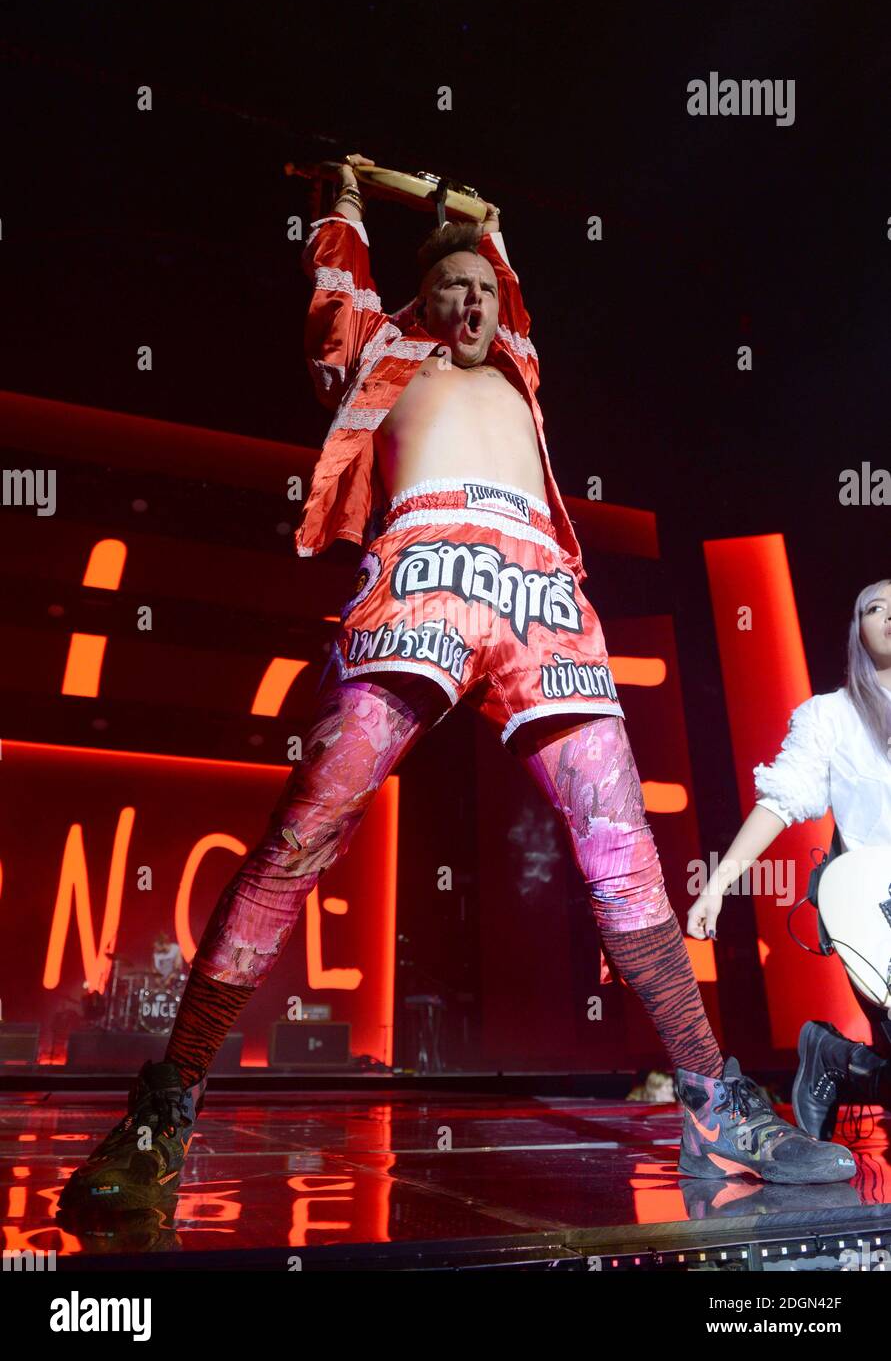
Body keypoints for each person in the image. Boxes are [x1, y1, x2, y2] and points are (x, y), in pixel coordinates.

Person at [59, 154, 855, 1210]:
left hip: (543, 593)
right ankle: (167, 1100)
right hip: (423, 574)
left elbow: (496, 239)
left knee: (623, 851)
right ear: (418, 301)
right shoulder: (384, 355)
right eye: (454, 288)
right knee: (303, 833)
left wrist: (457, 208)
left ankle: (716, 1100)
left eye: (486, 286)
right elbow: (336, 290)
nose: (477, 300)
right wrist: (347, 192)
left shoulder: (518, 363)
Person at [688, 577, 891, 1140]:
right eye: (876, 608)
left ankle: (837, 1060)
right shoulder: (831, 717)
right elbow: (781, 801)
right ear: (858, 631)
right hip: (877, 912)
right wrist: (719, 884)